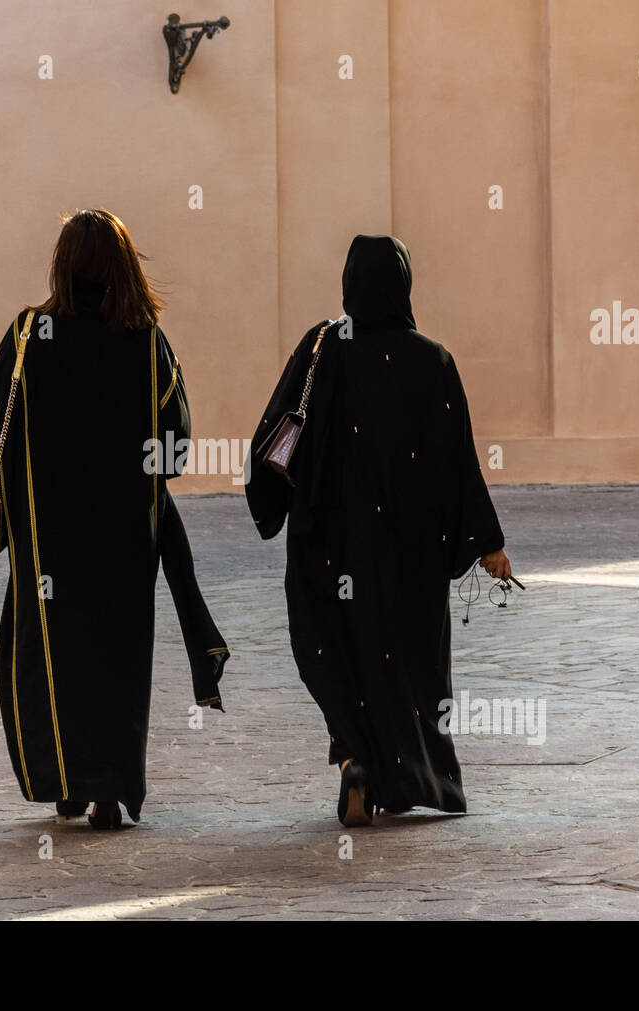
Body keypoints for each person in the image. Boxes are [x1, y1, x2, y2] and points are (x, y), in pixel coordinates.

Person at [246, 234, 511, 827]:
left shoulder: (321, 348)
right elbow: (457, 461)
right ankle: (417, 778)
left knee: (335, 652)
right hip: (409, 554)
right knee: (407, 661)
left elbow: (273, 435)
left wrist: (278, 503)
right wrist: (486, 541)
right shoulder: (433, 361)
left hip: (328, 548)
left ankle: (351, 761)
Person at [0, 208, 227, 829]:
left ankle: (63, 777)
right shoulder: (146, 343)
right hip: (123, 538)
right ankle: (110, 789)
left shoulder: (26, 336)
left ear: (61, 264)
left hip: (48, 539)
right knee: (115, 658)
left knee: (50, 656)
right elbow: (175, 444)